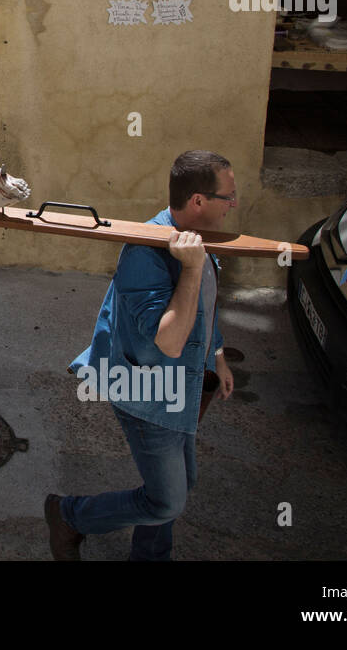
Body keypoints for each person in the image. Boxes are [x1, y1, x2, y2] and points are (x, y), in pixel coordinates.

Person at [46, 150, 237, 560]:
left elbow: (205, 305)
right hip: (148, 393)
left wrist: (216, 354)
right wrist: (189, 269)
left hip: (182, 387)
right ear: (199, 201)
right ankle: (69, 515)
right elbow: (167, 343)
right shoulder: (146, 253)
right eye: (228, 197)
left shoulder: (196, 241)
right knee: (167, 501)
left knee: (180, 486)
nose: (233, 205)